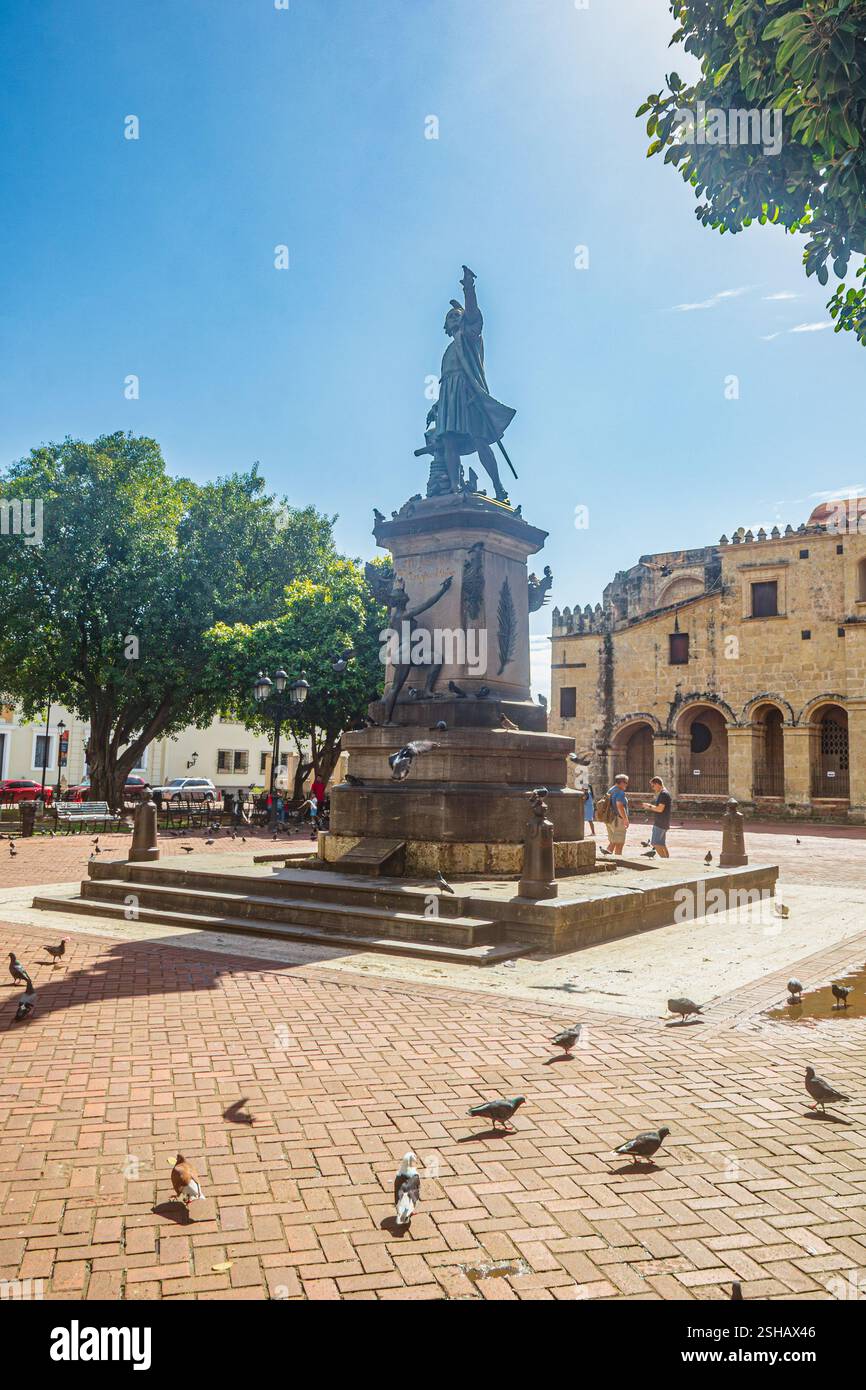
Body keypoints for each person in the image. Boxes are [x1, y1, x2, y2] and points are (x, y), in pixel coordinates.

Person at [641, 776, 672, 858]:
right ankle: (667, 861)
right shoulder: (664, 793)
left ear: (657, 784)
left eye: (653, 786)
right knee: (661, 844)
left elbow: (660, 809)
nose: (652, 788)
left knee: (655, 843)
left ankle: (664, 861)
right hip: (662, 822)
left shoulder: (663, 794)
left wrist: (649, 806)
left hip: (660, 823)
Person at [602, 773, 629, 856]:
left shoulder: (611, 790)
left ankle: (607, 859)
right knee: (619, 843)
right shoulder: (620, 792)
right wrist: (625, 819)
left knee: (613, 842)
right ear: (621, 782)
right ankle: (618, 861)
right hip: (617, 820)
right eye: (626, 782)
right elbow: (619, 805)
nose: (626, 785)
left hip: (609, 819)